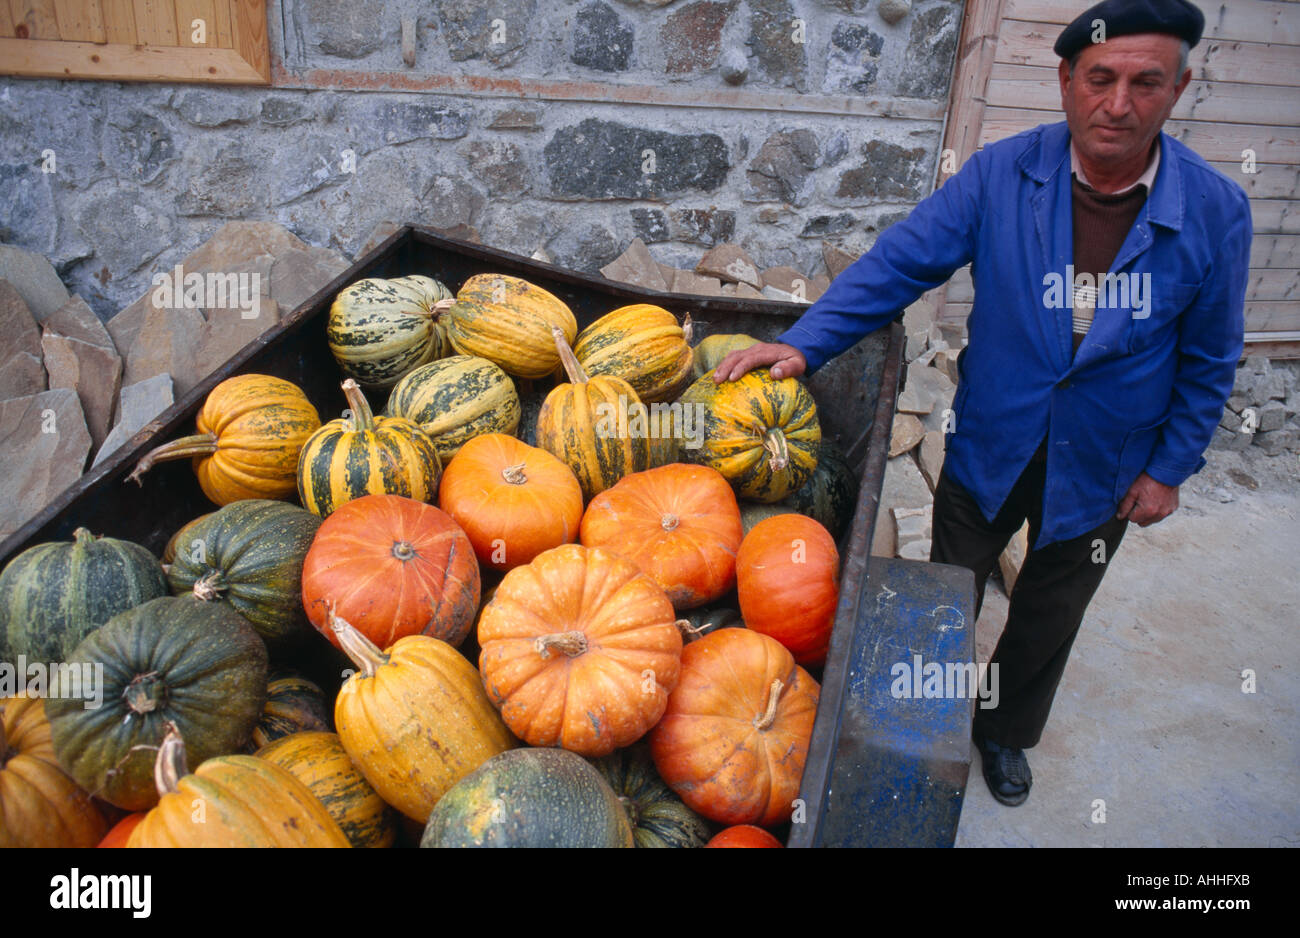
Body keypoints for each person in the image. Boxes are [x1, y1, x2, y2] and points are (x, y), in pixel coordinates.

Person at [712, 0, 1251, 807]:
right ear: (1067, 80)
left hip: (1109, 457)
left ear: (1177, 89)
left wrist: (1171, 468)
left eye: (1146, 82)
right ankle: (922, 722)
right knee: (946, 589)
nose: (1118, 103)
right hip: (995, 433)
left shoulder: (1213, 210)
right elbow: (902, 261)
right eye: (1100, 78)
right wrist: (808, 341)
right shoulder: (1006, 173)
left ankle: (1002, 734)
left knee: (1051, 604)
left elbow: (1211, 358)